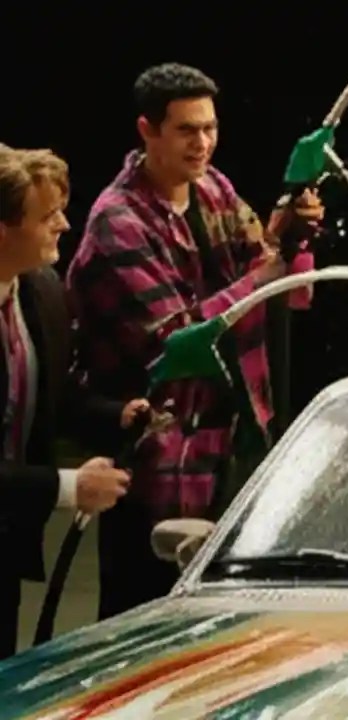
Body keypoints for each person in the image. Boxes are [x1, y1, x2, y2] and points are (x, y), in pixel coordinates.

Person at [65, 63, 324, 620]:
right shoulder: (117, 222)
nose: (202, 143)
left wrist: (291, 236)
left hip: (229, 447)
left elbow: (284, 286)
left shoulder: (215, 189)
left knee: (220, 626)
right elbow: (179, 340)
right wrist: (263, 277)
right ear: (147, 130)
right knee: (143, 622)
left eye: (209, 128)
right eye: (186, 130)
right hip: (156, 459)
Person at [0, 146, 144, 659]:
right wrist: (69, 487)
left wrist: (116, 414)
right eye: (47, 215)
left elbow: (54, 392)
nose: (64, 223)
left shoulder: (40, 292)